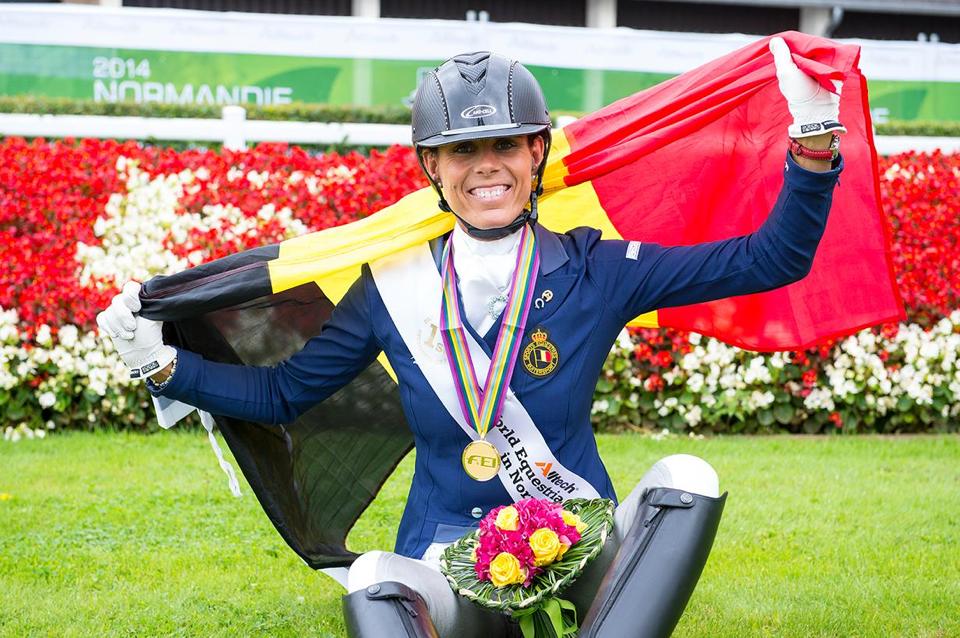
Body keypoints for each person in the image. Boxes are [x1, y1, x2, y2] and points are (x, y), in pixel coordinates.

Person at [98, 39, 844, 638]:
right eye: (462, 150)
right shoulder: (388, 284)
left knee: (690, 476)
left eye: (506, 144)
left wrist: (812, 138)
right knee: (371, 581)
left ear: (536, 154)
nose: (487, 164)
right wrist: (162, 366)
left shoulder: (600, 267)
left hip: (580, 538)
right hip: (445, 556)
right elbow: (284, 392)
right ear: (432, 166)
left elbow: (770, 257)